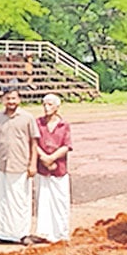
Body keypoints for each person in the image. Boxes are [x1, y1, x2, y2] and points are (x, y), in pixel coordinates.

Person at [0, 87, 40, 245]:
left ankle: (21, 234)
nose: (11, 102)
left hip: (21, 165)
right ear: (3, 100)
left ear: (19, 100)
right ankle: (3, 233)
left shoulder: (27, 118)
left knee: (20, 201)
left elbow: (34, 142)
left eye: (14, 98)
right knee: (1, 200)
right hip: (2, 165)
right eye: (8, 99)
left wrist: (33, 164)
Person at [34, 93, 73, 243]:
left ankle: (61, 232)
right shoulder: (38, 123)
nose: (46, 107)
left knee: (60, 201)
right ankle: (44, 232)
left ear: (57, 107)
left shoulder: (64, 125)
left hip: (58, 168)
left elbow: (67, 146)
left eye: (50, 104)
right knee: (43, 201)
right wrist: (43, 157)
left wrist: (52, 157)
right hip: (42, 167)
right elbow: (34, 143)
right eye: (44, 104)